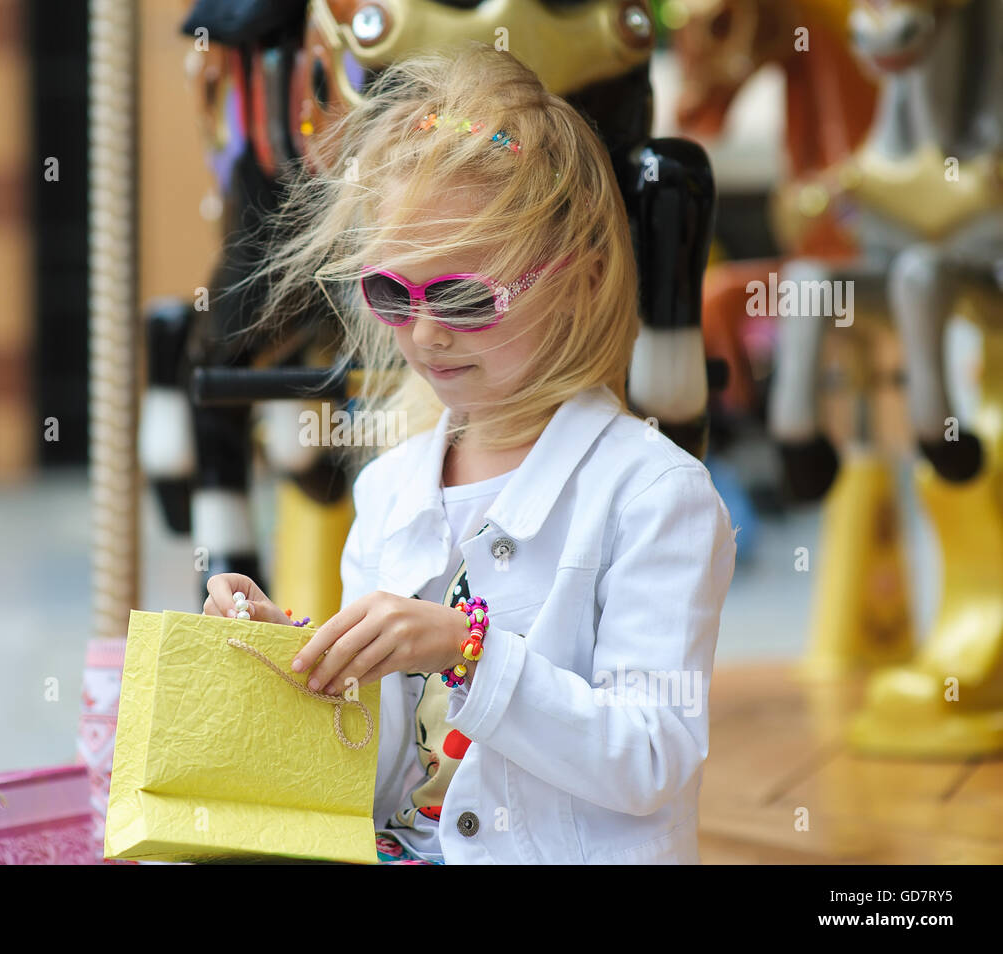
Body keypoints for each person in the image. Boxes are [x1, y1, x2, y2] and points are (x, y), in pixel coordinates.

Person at [203, 42, 737, 864]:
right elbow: (377, 766)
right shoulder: (388, 489)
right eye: (392, 293)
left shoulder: (653, 495)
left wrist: (465, 650)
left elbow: (650, 756)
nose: (423, 332)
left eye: (461, 296)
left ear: (583, 279)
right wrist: (301, 665)